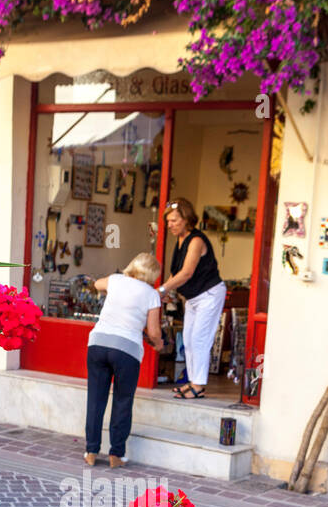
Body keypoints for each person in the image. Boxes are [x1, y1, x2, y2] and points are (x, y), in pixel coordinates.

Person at [84, 252, 163, 468]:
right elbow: (154, 332)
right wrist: (159, 344)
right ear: (153, 274)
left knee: (95, 399)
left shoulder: (115, 280)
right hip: (126, 350)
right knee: (122, 401)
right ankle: (115, 455)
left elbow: (97, 284)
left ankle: (91, 451)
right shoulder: (151, 294)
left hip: (98, 343)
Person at [160, 198, 226, 400]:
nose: (169, 225)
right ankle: (193, 381)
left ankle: (199, 386)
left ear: (186, 219)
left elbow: (187, 273)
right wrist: (164, 291)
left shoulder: (196, 241)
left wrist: (161, 289)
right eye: (168, 221)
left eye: (173, 220)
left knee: (199, 339)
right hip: (193, 297)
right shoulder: (180, 241)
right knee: (188, 339)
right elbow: (176, 273)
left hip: (209, 294)